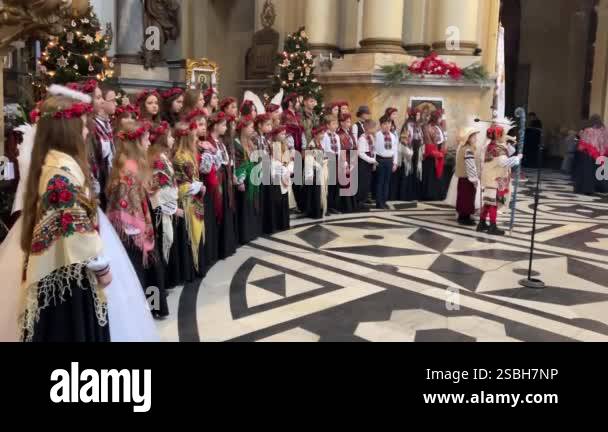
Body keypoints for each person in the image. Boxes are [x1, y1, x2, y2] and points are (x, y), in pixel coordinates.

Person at [13, 91, 111, 342]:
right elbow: (77, 232)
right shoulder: (61, 172)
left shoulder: (56, 163)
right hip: (69, 278)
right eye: (82, 126)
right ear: (67, 130)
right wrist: (102, 268)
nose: (87, 132)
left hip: (63, 270)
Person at [106, 119, 168, 318]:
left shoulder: (133, 164)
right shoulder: (128, 168)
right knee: (137, 271)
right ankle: (141, 311)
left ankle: (149, 307)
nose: (149, 143)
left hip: (140, 223)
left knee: (146, 269)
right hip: (132, 230)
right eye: (146, 139)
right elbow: (123, 200)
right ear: (136, 143)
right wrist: (135, 228)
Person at [148, 121, 184, 289]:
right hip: (160, 210)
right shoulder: (157, 160)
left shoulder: (163, 158)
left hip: (167, 207)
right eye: (169, 136)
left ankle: (166, 281)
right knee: (164, 240)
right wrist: (172, 208)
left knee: (167, 240)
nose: (172, 139)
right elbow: (158, 191)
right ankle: (161, 285)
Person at [202, 112, 238, 260]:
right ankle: (218, 248)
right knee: (218, 211)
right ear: (215, 126)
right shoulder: (208, 142)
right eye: (223, 125)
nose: (225, 127)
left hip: (224, 179)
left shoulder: (221, 142)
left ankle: (227, 246)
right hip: (215, 181)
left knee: (226, 209)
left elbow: (226, 161)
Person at [173, 121, 205, 279]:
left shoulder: (188, 154)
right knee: (189, 234)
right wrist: (196, 187)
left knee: (195, 232)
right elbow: (182, 182)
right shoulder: (180, 157)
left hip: (194, 198)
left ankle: (196, 265)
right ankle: (192, 268)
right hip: (187, 201)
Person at [478, 125, 523, 236]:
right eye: (503, 134)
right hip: (494, 179)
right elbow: (504, 162)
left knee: (488, 202)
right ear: (498, 136)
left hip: (489, 177)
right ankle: (492, 226)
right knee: (493, 204)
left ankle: (482, 223)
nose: (505, 136)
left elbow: (503, 156)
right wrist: (517, 158)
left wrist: (510, 145)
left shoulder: (491, 146)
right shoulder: (498, 148)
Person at [235, 115, 263, 244]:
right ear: (243, 128)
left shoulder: (250, 142)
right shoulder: (237, 143)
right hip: (244, 178)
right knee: (244, 206)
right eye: (250, 127)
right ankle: (244, 234)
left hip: (252, 177)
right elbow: (239, 163)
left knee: (252, 204)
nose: (253, 129)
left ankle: (252, 231)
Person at [91, 81, 117, 210]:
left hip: (107, 176)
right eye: (112, 100)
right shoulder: (93, 127)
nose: (115, 103)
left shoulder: (107, 124)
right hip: (99, 179)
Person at [266, 126, 291, 233]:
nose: (283, 136)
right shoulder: (273, 145)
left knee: (284, 198)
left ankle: (284, 223)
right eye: (281, 134)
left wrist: (287, 167)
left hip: (284, 173)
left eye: (284, 134)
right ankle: (278, 223)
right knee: (277, 199)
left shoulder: (284, 145)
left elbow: (287, 159)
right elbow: (274, 161)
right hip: (276, 174)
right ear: (276, 135)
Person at [574, 114, 608, 194]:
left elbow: (582, 143)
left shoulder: (588, 130)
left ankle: (587, 188)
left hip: (588, 155)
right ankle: (601, 188)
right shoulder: (605, 130)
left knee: (588, 172)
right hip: (602, 155)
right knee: (601, 172)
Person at [455, 127, 480, 226]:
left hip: (463, 178)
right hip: (467, 178)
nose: (476, 139)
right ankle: (464, 218)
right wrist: (474, 179)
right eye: (474, 137)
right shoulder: (468, 150)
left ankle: (463, 216)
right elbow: (470, 166)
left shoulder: (462, 147)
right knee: (467, 198)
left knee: (462, 197)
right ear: (468, 138)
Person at [420, 109, 447, 201]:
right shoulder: (427, 127)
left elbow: (443, 139)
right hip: (431, 154)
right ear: (436, 118)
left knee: (438, 174)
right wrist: (435, 152)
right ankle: (429, 194)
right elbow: (428, 142)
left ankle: (438, 194)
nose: (440, 120)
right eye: (439, 118)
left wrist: (442, 150)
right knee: (430, 175)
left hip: (439, 152)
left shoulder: (439, 127)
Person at [303, 126, 329, 219]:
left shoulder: (319, 144)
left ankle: (320, 209)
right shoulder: (311, 145)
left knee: (320, 191)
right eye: (321, 133)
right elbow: (309, 159)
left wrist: (325, 159)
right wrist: (318, 164)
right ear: (316, 134)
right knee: (315, 191)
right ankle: (314, 211)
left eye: (323, 133)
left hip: (320, 169)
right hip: (314, 171)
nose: (323, 135)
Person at [375, 116, 399, 210]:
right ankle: (379, 202)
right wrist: (374, 161)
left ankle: (384, 201)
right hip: (380, 160)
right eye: (385, 124)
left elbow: (395, 150)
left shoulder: (393, 136)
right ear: (381, 125)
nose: (387, 126)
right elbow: (374, 149)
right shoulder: (377, 135)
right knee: (380, 182)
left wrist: (395, 163)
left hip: (389, 160)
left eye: (389, 123)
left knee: (387, 182)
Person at [337, 113, 358, 213]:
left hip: (351, 159)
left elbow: (354, 147)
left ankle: (352, 205)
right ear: (341, 123)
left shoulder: (348, 133)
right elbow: (342, 150)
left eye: (350, 121)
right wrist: (346, 164)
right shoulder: (340, 135)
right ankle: (346, 207)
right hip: (344, 160)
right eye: (347, 122)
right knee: (345, 183)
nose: (349, 124)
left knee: (351, 183)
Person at [322, 114, 342, 215]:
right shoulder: (325, 135)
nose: (336, 125)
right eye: (333, 124)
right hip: (328, 160)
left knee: (335, 185)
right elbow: (325, 149)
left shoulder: (337, 136)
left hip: (335, 160)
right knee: (329, 185)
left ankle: (334, 205)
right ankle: (328, 206)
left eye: (336, 123)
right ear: (327, 125)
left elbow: (338, 148)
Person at [357, 119, 378, 208]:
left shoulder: (371, 137)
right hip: (363, 163)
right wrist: (371, 160)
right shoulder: (362, 138)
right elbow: (360, 153)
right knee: (363, 182)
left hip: (370, 161)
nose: (375, 130)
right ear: (368, 128)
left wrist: (374, 161)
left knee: (368, 181)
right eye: (373, 128)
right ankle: (360, 201)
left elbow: (373, 150)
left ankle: (365, 199)